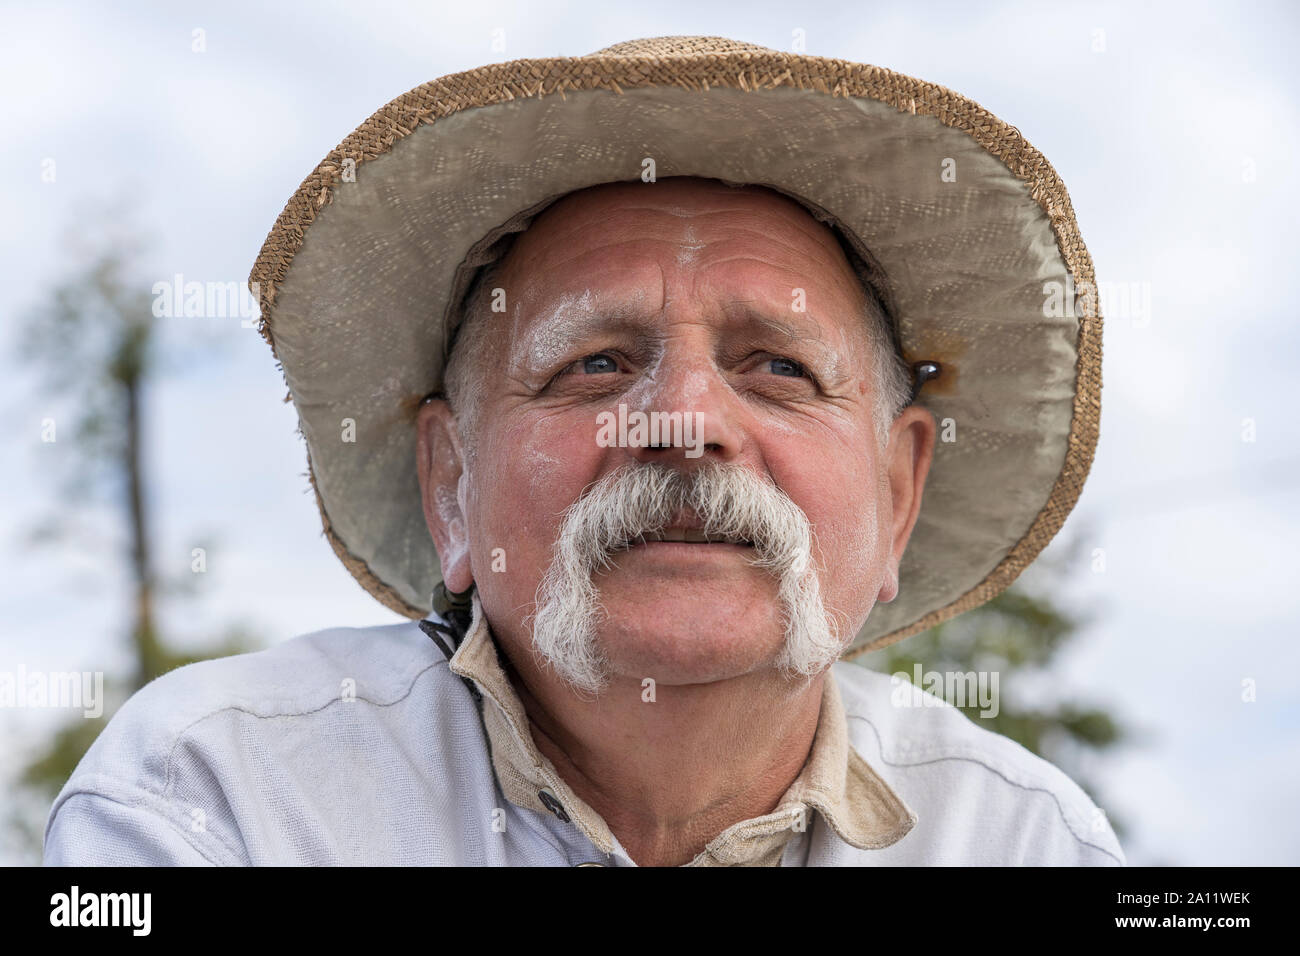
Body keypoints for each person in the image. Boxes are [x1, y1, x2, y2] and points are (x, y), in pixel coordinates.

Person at [44, 36, 1120, 866]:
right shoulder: (215, 792)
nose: (684, 419)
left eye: (779, 368)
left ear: (897, 492)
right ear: (452, 483)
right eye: (597, 363)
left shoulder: (1025, 840)